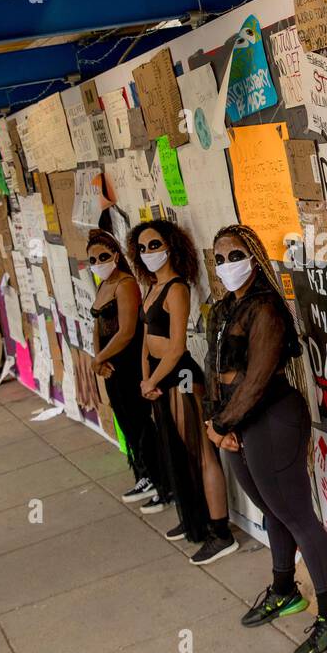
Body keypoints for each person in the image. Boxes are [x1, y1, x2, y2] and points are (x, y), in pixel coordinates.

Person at [204, 223, 327, 653]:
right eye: (219, 258)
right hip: (238, 424)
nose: (227, 265)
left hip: (271, 418)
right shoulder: (223, 309)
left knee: (296, 514)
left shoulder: (266, 308)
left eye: (235, 255)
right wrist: (221, 422)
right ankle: (285, 588)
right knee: (271, 510)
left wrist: (222, 422)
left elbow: (257, 380)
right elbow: (218, 371)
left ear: (253, 256)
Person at [129, 219, 237, 565]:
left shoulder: (176, 288)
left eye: (155, 245)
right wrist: (146, 378)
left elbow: (176, 347)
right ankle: (197, 519)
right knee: (181, 452)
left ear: (171, 247)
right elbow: (145, 340)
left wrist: (152, 381)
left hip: (183, 376)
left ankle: (221, 532)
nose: (148, 253)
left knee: (202, 452)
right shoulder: (150, 288)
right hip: (160, 378)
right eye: (143, 247)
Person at [87, 229, 167, 509]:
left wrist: (99, 359)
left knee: (141, 422)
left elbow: (127, 331)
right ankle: (145, 474)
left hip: (128, 360)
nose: (98, 262)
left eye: (103, 256)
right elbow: (98, 324)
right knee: (127, 422)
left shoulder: (125, 284)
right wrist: (99, 358)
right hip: (110, 365)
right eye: (93, 258)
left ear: (116, 256)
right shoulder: (102, 285)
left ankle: (162, 482)